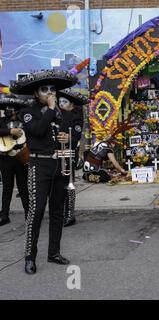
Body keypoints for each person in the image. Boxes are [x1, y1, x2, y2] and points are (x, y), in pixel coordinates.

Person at [10, 69, 78, 274]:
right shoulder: (28, 112)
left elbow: (70, 136)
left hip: (60, 166)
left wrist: (69, 139)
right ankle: (30, 257)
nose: (49, 92)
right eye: (44, 89)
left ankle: (54, 253)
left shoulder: (62, 113)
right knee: (36, 211)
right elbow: (38, 130)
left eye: (52, 89)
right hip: (39, 167)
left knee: (57, 211)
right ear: (35, 94)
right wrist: (50, 108)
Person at [57, 89, 88, 227]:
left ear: (71, 105)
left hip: (68, 152)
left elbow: (76, 136)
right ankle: (59, 211)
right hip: (56, 153)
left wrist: (69, 137)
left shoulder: (76, 117)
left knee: (68, 183)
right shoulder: (55, 114)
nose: (61, 104)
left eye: (65, 102)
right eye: (60, 102)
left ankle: (70, 214)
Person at [0, 97, 30, 226]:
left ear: (16, 111)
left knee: (23, 187)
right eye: (6, 109)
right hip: (5, 157)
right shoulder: (1, 121)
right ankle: (4, 215)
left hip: (20, 157)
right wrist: (9, 131)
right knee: (7, 187)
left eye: (11, 109)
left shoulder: (24, 122)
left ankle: (28, 215)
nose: (8, 111)